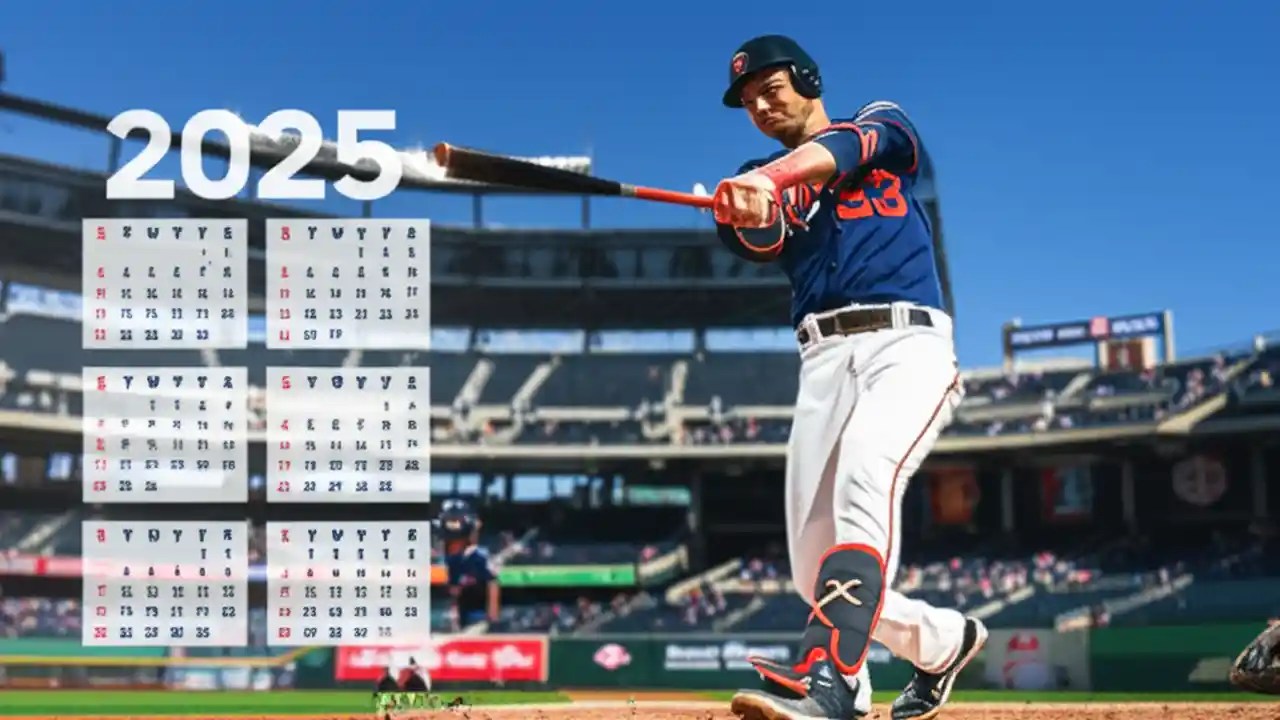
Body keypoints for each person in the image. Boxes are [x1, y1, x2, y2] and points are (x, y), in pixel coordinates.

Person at [711, 35, 987, 720]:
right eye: (748, 102)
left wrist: (774, 181)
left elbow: (852, 147)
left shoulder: (881, 125)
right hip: (822, 362)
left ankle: (831, 676)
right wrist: (748, 209)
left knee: (866, 472)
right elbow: (761, 236)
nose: (760, 106)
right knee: (812, 569)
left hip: (906, 343)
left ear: (807, 79)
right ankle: (942, 641)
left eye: (771, 89)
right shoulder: (757, 174)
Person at [436, 499, 501, 629]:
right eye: (451, 518)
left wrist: (492, 618)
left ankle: (489, 618)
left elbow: (492, 582)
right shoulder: (438, 530)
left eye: (457, 517)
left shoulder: (478, 555)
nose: (454, 521)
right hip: (447, 561)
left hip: (466, 560)